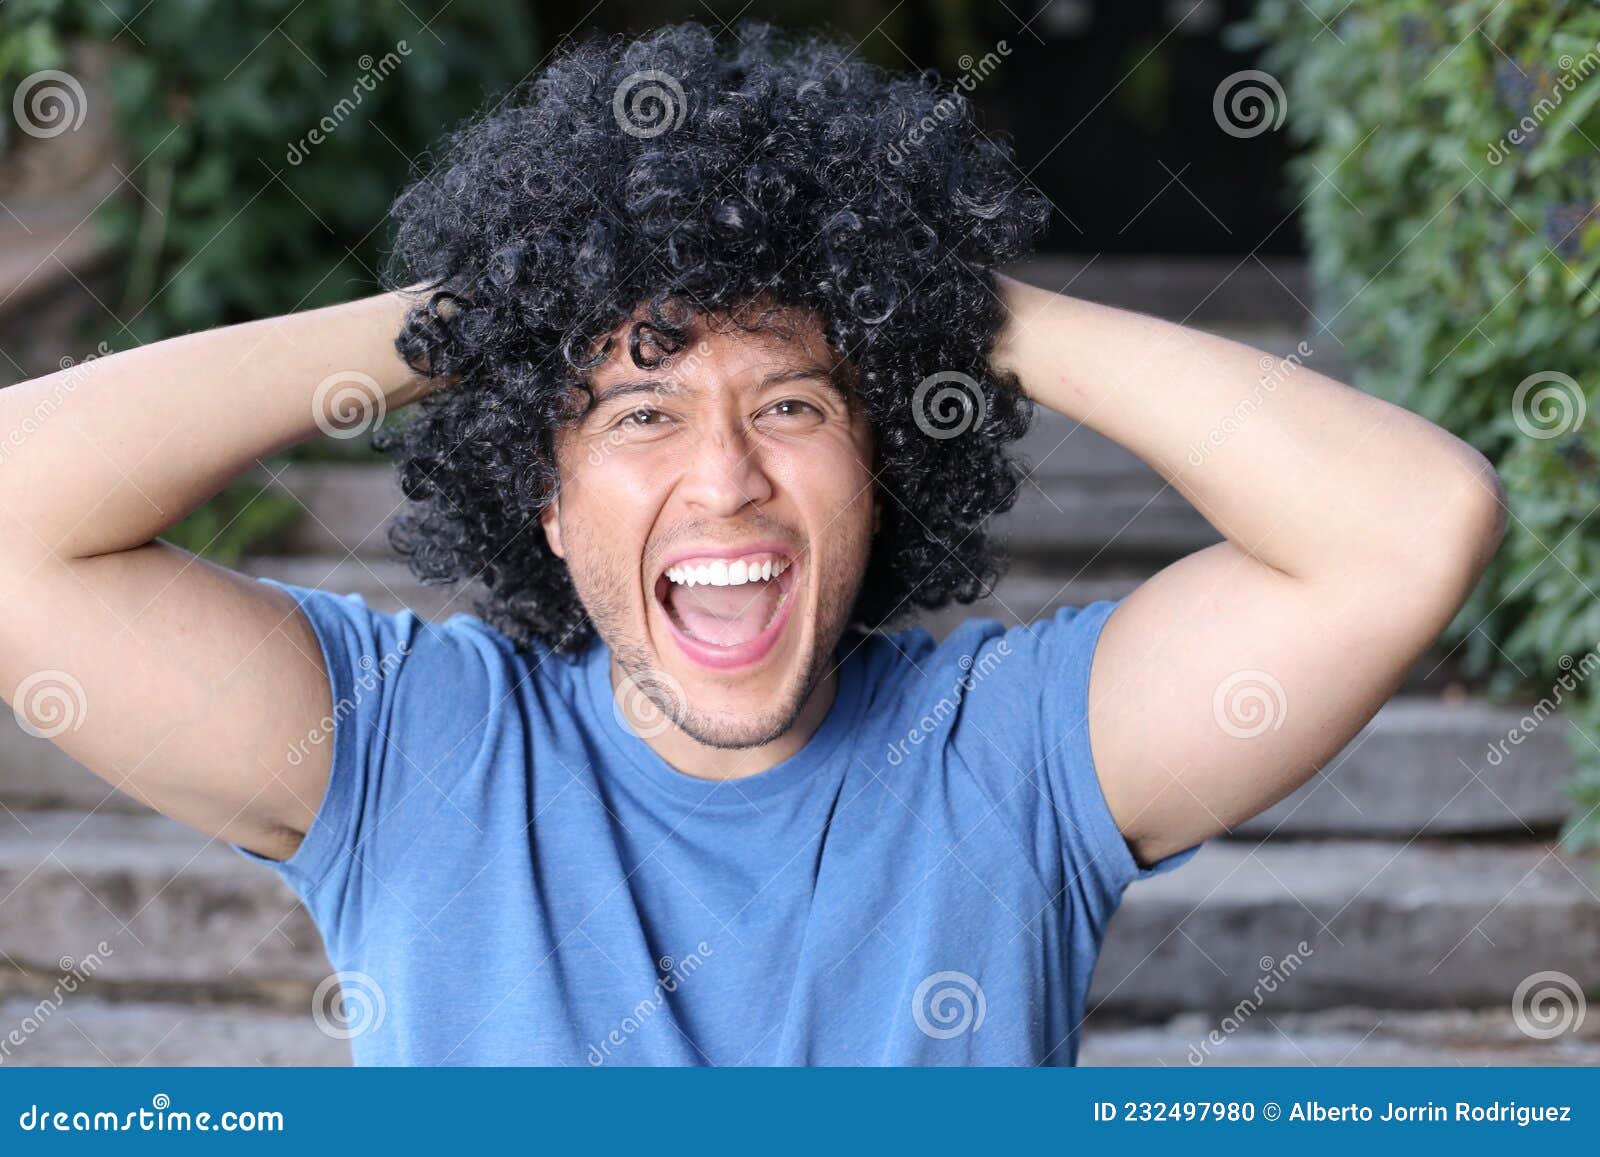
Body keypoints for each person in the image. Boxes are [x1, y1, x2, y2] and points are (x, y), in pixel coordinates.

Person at [0, 22, 1504, 1065]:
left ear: (885, 458)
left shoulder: (1014, 756)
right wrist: (461, 316)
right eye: (640, 415)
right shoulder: (411, 753)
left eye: (793, 401)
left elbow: (1411, 522)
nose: (724, 479)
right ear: (544, 487)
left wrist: (952, 297)